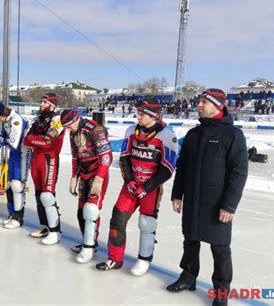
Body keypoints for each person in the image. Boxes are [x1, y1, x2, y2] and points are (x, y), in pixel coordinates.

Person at [166, 89, 248, 306]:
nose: (199, 105)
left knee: (220, 248)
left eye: (204, 102)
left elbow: (239, 173)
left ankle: (221, 292)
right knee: (190, 240)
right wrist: (177, 195)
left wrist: (229, 206)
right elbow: (182, 167)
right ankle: (188, 277)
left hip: (217, 203)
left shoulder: (233, 135)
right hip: (192, 198)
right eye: (199, 101)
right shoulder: (194, 134)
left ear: (218, 105)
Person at [96, 100, 178, 274]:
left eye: (142, 114)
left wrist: (147, 187)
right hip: (131, 186)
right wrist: (130, 181)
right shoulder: (131, 131)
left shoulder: (167, 136)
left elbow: (168, 169)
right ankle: (115, 258)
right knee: (117, 219)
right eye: (138, 113)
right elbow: (124, 159)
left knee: (146, 224)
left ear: (154, 115)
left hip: (151, 188)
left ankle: (144, 259)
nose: (138, 116)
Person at [60, 109, 112, 262]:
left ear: (75, 120)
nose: (67, 130)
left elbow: (106, 156)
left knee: (91, 210)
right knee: (81, 212)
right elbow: (75, 156)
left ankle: (89, 247)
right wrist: (74, 176)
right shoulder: (73, 133)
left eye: (68, 126)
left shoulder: (95, 130)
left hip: (97, 174)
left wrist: (99, 178)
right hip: (84, 175)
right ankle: (88, 241)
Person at [23, 94, 65, 244]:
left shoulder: (57, 120)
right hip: (36, 158)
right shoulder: (37, 120)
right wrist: (35, 140)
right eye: (41, 102)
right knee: (39, 194)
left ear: (52, 105)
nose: (41, 105)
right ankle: (44, 225)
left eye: (44, 102)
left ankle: (55, 230)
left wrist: (34, 139)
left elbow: (48, 142)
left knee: (48, 195)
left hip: (49, 158)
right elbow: (26, 139)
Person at [0, 102, 31, 229]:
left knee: (17, 185)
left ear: (1, 114)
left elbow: (14, 142)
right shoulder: (5, 120)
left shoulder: (16, 119)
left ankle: (18, 217)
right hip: (13, 154)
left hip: (23, 153)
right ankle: (12, 214)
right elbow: (3, 136)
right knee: (9, 184)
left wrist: (2, 139)